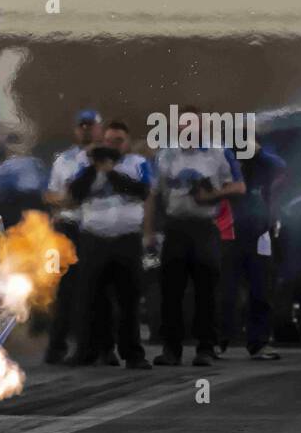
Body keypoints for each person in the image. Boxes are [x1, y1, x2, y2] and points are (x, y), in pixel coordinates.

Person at [150, 107, 246, 366]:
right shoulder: (165, 155)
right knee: (171, 292)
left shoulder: (218, 152)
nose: (189, 129)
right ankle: (172, 349)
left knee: (207, 290)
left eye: (194, 124)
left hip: (204, 227)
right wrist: (149, 231)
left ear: (202, 126)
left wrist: (210, 196)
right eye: (184, 125)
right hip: (175, 227)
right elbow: (153, 194)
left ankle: (206, 347)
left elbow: (239, 186)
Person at [66, 121, 152, 369]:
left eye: (118, 140)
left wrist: (111, 171)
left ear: (127, 142)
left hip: (127, 239)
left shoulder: (137, 164)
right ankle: (91, 351)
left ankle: (133, 353)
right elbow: (75, 193)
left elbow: (142, 191)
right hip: (95, 239)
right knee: (91, 298)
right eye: (109, 140)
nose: (113, 145)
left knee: (129, 299)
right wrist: (95, 168)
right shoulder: (87, 165)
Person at [43, 109, 103, 363]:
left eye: (91, 125)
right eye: (82, 126)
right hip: (67, 231)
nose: (86, 130)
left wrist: (69, 199)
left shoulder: (107, 158)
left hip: (94, 229)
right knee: (63, 289)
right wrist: (68, 200)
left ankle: (94, 347)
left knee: (92, 291)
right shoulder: (64, 159)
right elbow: (51, 195)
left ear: (99, 128)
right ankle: (57, 346)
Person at [219, 140, 287, 360]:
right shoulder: (222, 160)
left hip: (259, 235)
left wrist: (258, 152)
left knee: (261, 290)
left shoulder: (262, 164)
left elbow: (280, 165)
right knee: (224, 291)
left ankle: (259, 343)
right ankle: (217, 341)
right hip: (227, 234)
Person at [0, 134, 48, 228]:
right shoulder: (36, 163)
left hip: (15, 209)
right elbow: (44, 191)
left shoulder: (5, 167)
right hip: (35, 210)